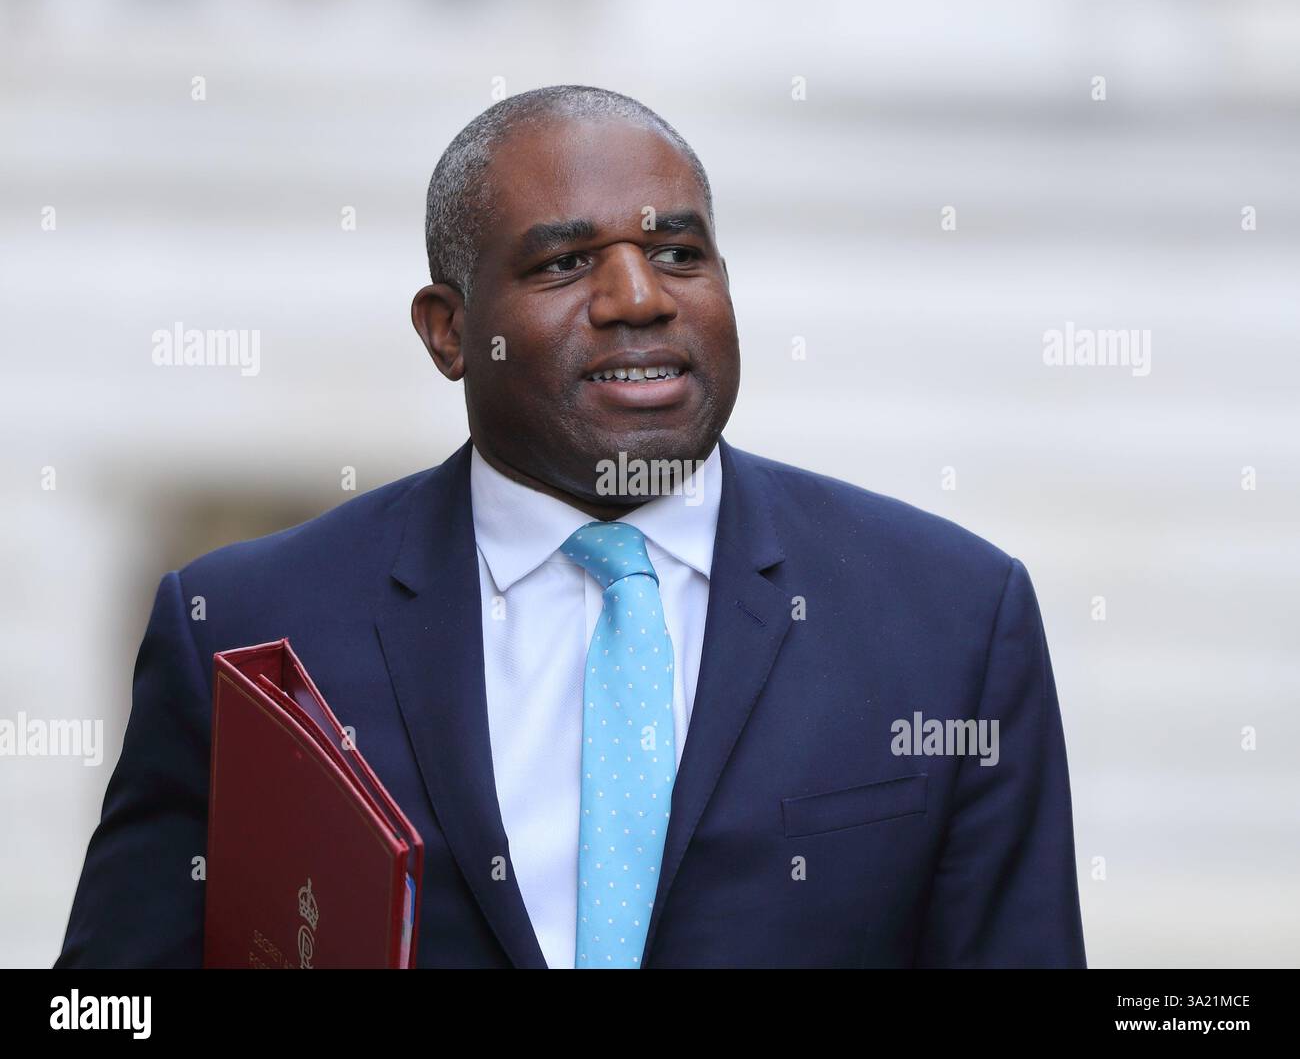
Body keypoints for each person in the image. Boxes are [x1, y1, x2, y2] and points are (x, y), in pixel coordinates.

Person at [56, 85, 1086, 969]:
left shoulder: (951, 619)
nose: (637, 297)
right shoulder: (239, 623)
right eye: (562, 264)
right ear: (449, 330)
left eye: (678, 251)